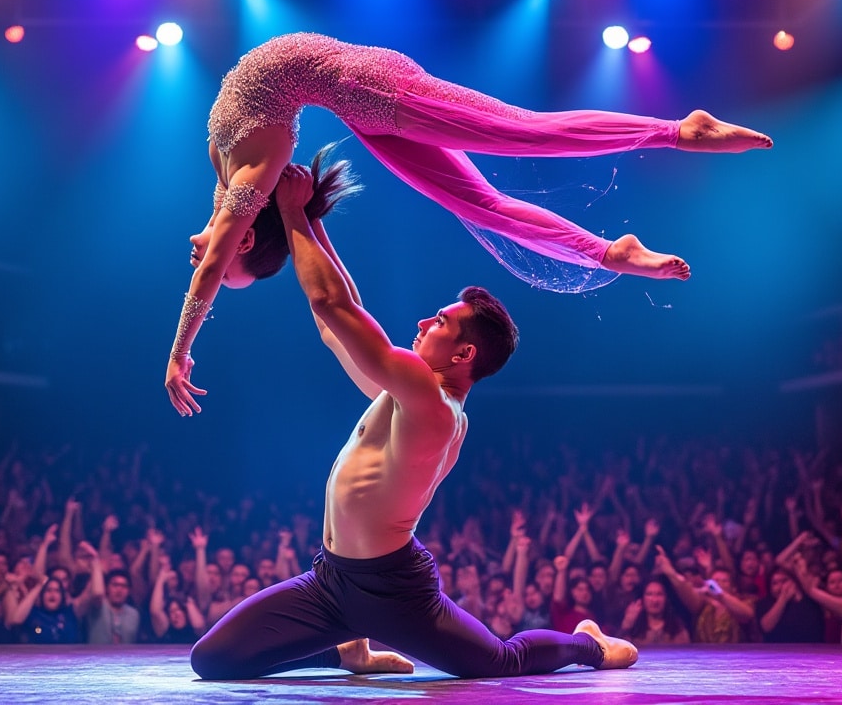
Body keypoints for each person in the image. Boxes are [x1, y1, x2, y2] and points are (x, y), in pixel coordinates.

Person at [165, 32, 773, 416]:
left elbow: (224, 263)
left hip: (368, 86)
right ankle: (608, 252)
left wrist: (183, 348)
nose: (203, 263)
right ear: (244, 237)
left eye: (219, 269)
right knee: (480, 203)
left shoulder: (238, 185)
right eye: (223, 267)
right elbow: (218, 266)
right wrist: (180, 353)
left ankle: (677, 131)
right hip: (362, 100)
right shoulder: (246, 185)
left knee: (520, 131)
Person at [188, 166, 637, 679]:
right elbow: (338, 315)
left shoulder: (431, 406)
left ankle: (588, 645)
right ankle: (346, 650)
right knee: (212, 660)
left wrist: (292, 212)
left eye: (439, 322)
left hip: (393, 592)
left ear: (464, 353)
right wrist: (311, 219)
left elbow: (331, 303)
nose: (424, 324)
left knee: (500, 660)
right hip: (330, 581)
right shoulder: (403, 395)